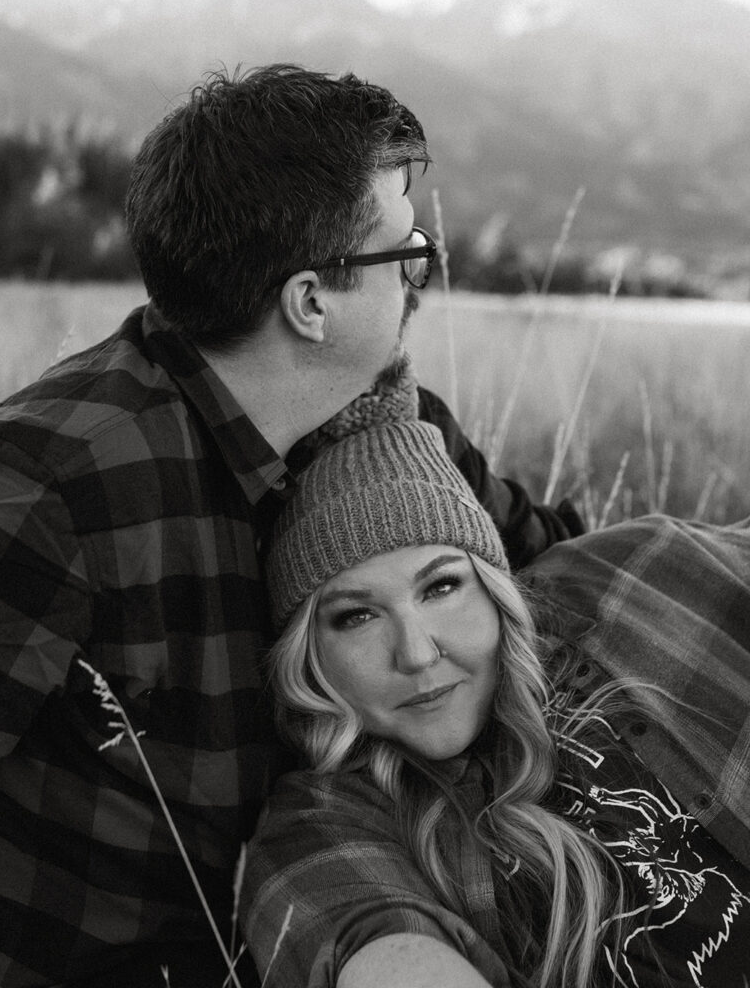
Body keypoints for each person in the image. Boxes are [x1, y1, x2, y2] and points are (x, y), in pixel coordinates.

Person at [0, 65, 580, 987]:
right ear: (310, 303)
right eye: (402, 251)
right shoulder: (48, 487)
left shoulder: (389, 424)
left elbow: (556, 561)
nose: (418, 272)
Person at [241, 395, 750, 988]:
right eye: (356, 616)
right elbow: (358, 929)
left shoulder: (628, 581)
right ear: (309, 655)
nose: (417, 654)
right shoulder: (325, 822)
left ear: (493, 589)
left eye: (441, 587)